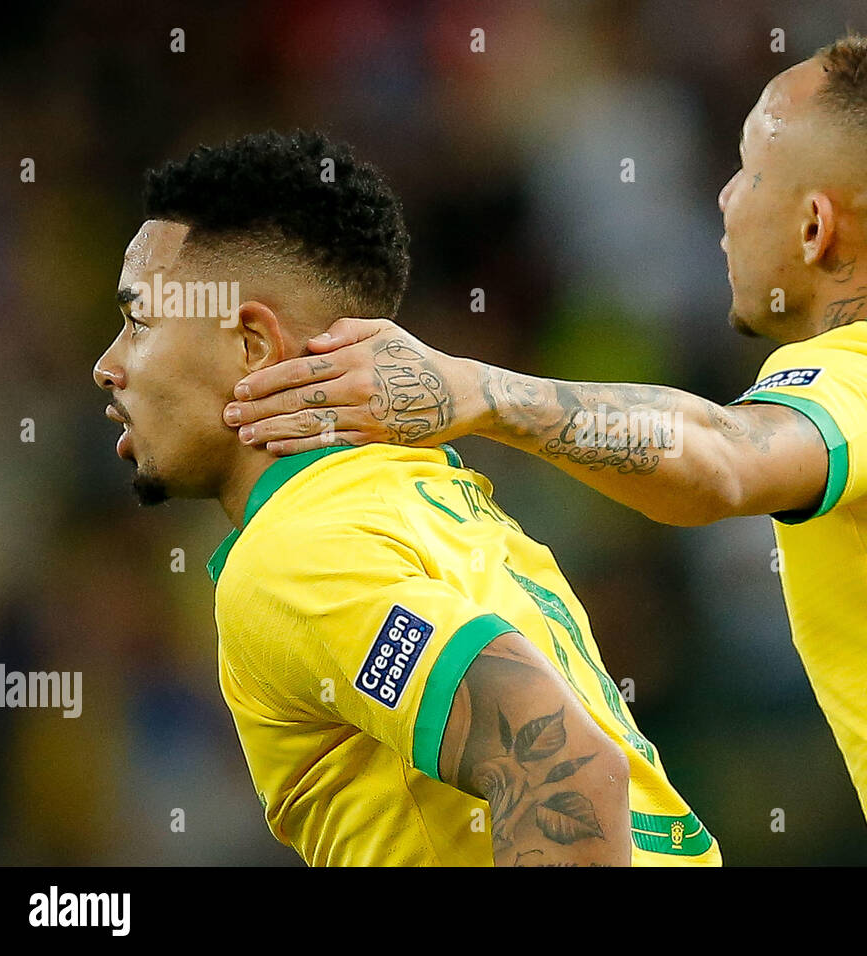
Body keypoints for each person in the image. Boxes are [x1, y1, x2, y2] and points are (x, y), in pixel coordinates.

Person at [223, 26, 867, 866]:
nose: (724, 202)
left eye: (743, 169)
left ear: (816, 230)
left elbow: (723, 456)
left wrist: (474, 392)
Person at [93, 130, 720, 867]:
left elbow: (562, 763)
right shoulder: (449, 498)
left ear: (252, 348)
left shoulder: (293, 553)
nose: (108, 367)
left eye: (138, 323)